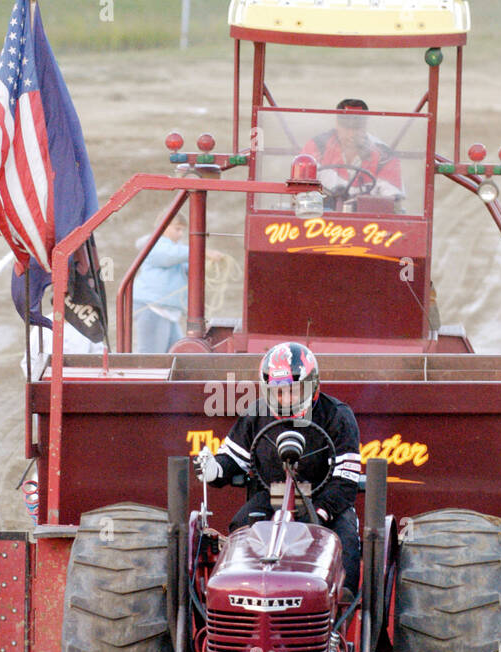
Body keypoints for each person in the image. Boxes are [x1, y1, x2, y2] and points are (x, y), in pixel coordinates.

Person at [193, 341, 363, 595]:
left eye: (293, 391)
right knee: (240, 525)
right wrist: (214, 469)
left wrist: (321, 512)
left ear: (312, 386)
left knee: (345, 539)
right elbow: (232, 459)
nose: (285, 399)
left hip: (324, 499)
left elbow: (346, 480)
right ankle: (241, 594)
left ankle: (341, 610)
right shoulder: (256, 414)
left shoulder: (337, 415)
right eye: (278, 392)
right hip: (271, 496)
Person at [133, 215, 222, 352]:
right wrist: (203, 251)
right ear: (164, 227)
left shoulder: (176, 250)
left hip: (167, 309)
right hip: (151, 306)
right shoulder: (154, 245)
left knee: (176, 351)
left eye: (182, 231)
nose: (180, 234)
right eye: (177, 229)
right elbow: (169, 255)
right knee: (151, 355)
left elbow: (183, 265)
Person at [303, 98, 403, 210]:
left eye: (356, 128)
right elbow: (300, 196)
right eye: (346, 127)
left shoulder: (384, 157)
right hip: (320, 222)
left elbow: (393, 204)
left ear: (365, 125)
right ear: (337, 124)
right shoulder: (316, 147)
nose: (351, 134)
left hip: (368, 223)